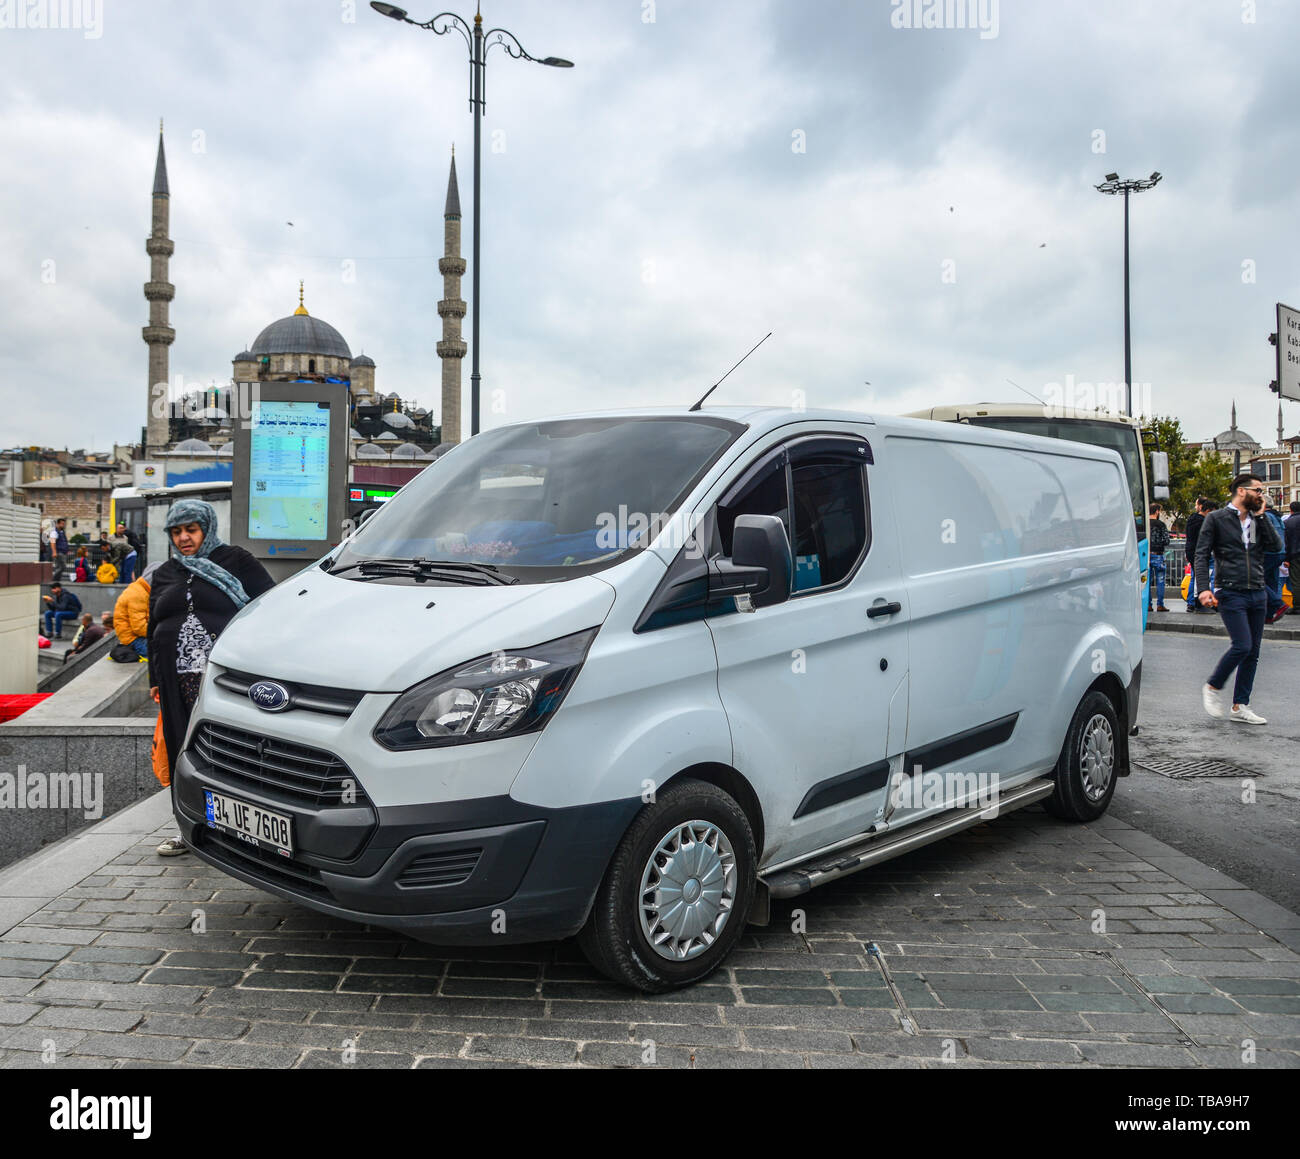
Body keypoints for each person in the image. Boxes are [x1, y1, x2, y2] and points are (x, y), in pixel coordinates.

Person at [148, 499, 275, 856]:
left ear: (207, 527)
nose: (184, 538)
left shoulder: (235, 560)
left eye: (191, 529)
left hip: (223, 680)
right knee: (181, 750)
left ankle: (241, 831)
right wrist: (154, 680)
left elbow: (268, 607)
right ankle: (189, 828)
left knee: (228, 749)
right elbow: (152, 628)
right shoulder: (164, 573)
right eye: (176, 531)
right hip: (176, 680)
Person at [1196, 473, 1285, 725]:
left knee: (1253, 652)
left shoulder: (1258, 520)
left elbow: (1276, 546)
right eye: (1258, 490)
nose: (1262, 495)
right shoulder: (1216, 519)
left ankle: (1240, 706)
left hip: (1257, 591)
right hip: (1230, 591)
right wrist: (1203, 588)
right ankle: (1213, 687)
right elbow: (1201, 555)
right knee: (1242, 645)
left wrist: (1261, 517)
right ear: (1242, 491)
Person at [114, 561, 161, 659]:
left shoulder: (143, 590)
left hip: (137, 636)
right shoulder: (138, 594)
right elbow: (138, 628)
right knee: (164, 651)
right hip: (133, 639)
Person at [1184, 497, 1211, 612]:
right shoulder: (1202, 521)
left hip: (1190, 550)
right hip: (1198, 551)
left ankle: (1191, 602)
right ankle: (1198, 602)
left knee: (1194, 577)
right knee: (1200, 577)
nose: (1195, 507)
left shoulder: (1192, 519)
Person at [1262, 499, 1287, 623]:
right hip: (1280, 553)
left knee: (1256, 580)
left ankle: (1278, 603)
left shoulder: (1264, 516)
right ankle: (1269, 614)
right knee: (1272, 581)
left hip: (1267, 552)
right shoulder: (1278, 517)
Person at [1148, 502, 1170, 612]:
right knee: (1160, 581)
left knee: (1147, 581)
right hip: (1158, 555)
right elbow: (1166, 540)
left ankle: (1148, 604)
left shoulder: (1144, 524)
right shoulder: (1161, 525)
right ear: (1157, 511)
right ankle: (1160, 605)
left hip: (1146, 555)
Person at [1285, 500, 1300, 607]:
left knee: (1296, 581)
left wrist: (1286, 558)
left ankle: (1297, 605)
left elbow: (1286, 541)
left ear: (1291, 510)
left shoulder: (1288, 522)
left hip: (1295, 554)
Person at [50, 517, 70, 582]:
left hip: (63, 552)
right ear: (58, 524)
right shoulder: (54, 532)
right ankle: (54, 579)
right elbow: (52, 542)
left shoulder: (62, 531)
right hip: (59, 552)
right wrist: (54, 552)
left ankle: (57, 581)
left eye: (64, 524)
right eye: (62, 524)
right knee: (62, 567)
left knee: (59, 567)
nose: (63, 525)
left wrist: (67, 550)